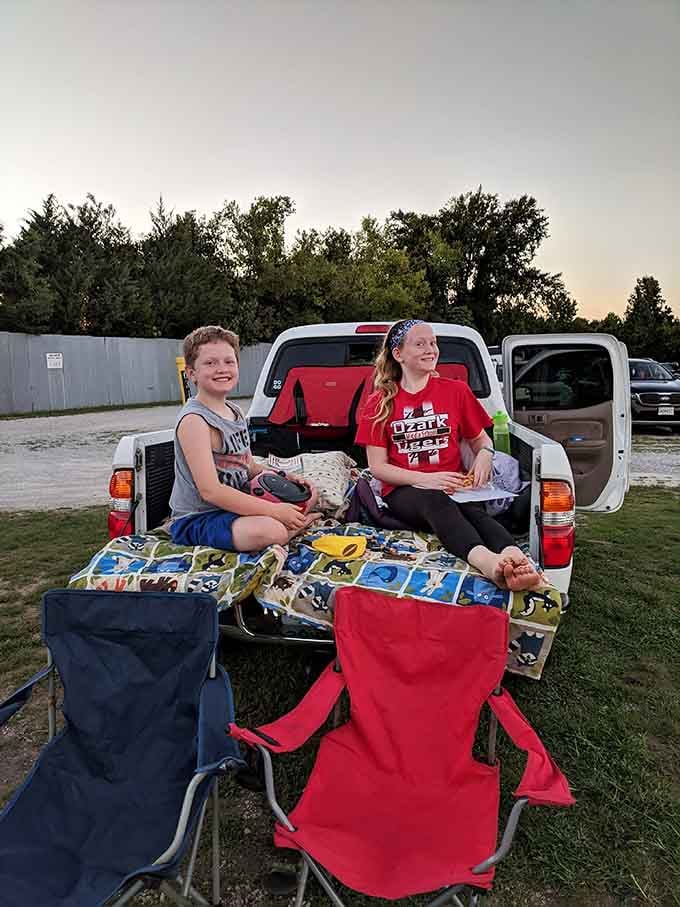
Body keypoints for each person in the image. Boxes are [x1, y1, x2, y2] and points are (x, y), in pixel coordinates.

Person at [355, 319, 544, 591]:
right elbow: (378, 468)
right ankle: (491, 565)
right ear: (398, 355)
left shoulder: (456, 391)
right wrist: (426, 480)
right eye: (420, 344)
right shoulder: (379, 402)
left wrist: (485, 455)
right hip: (404, 489)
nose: (431, 349)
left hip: (455, 485)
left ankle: (515, 558)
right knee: (436, 502)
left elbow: (481, 440)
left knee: (475, 513)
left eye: (433, 343)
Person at [169, 325, 320, 552]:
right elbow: (210, 491)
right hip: (200, 518)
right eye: (210, 363)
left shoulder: (236, 412)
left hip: (235, 508)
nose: (222, 369)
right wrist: (274, 511)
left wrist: (287, 476)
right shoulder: (195, 421)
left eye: (229, 362)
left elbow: (247, 465)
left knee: (310, 493)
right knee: (272, 530)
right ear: (191, 373)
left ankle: (290, 522)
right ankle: (293, 528)